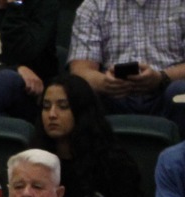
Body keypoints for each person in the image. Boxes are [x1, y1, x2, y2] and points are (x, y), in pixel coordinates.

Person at [35, 77, 140, 197]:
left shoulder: (116, 165)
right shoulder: (35, 163)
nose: (52, 114)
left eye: (63, 106)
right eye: (46, 106)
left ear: (82, 111)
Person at [67, 0, 185, 133]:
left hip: (167, 92)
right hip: (113, 96)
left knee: (180, 91)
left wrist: (162, 77)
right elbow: (80, 70)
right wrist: (104, 82)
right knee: (81, 91)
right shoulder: (94, 5)